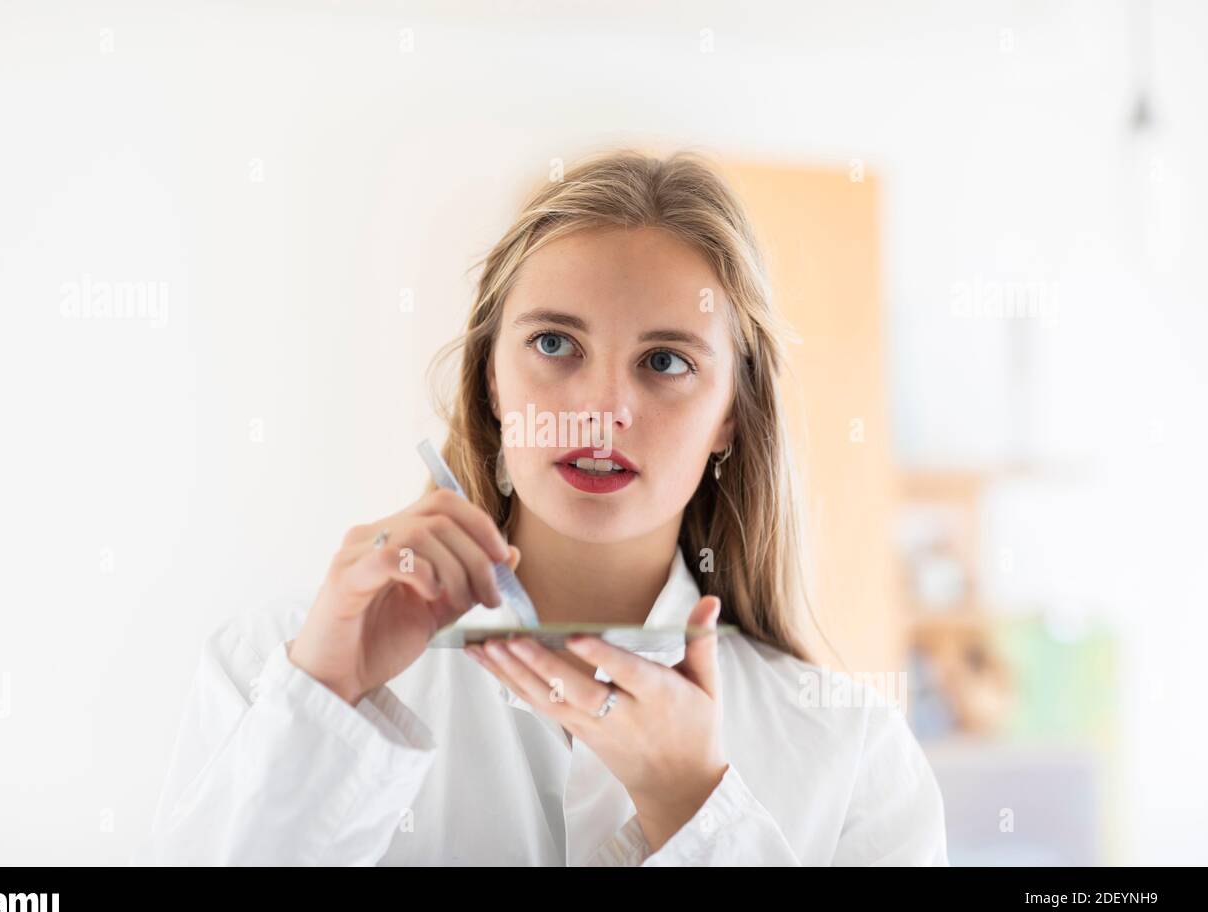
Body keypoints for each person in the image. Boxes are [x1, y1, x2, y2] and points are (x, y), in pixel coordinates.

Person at [134, 149, 948, 866]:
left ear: (731, 412)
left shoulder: (853, 756)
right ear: (491, 376)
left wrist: (697, 814)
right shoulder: (275, 669)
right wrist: (321, 716)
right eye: (555, 344)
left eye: (664, 360)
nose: (600, 410)